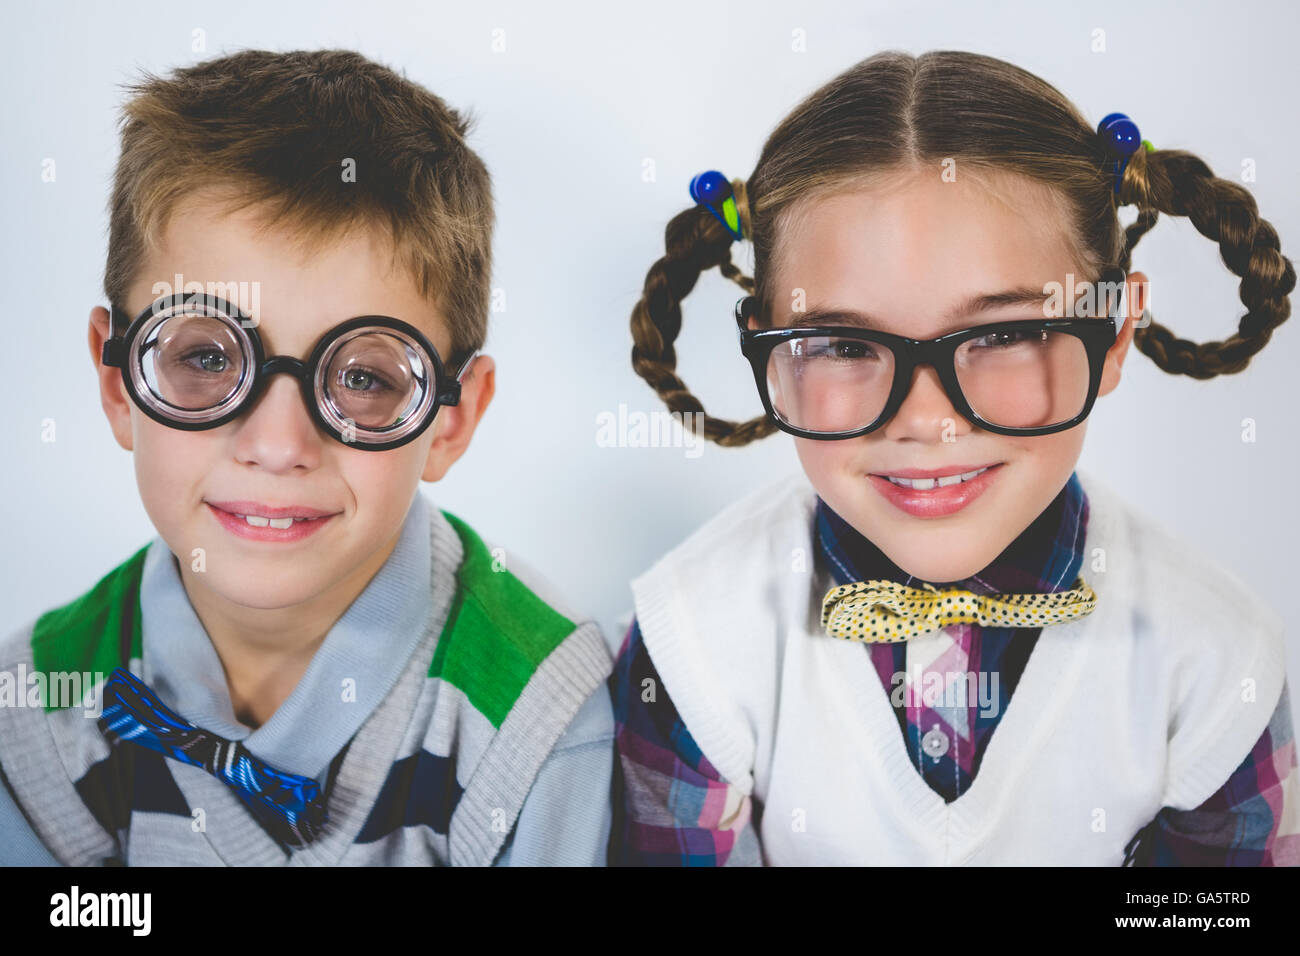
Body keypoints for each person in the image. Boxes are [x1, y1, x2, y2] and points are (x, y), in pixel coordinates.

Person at [611, 49, 1297, 865]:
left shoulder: (1214, 662)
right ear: (770, 353)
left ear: (1114, 334)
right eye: (841, 342)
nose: (926, 418)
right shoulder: (693, 639)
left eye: (1004, 334)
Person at [0, 49, 613, 866]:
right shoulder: (34, 712)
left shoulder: (533, 709)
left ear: (451, 420)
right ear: (117, 382)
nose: (279, 445)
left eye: (363, 377)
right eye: (209, 359)